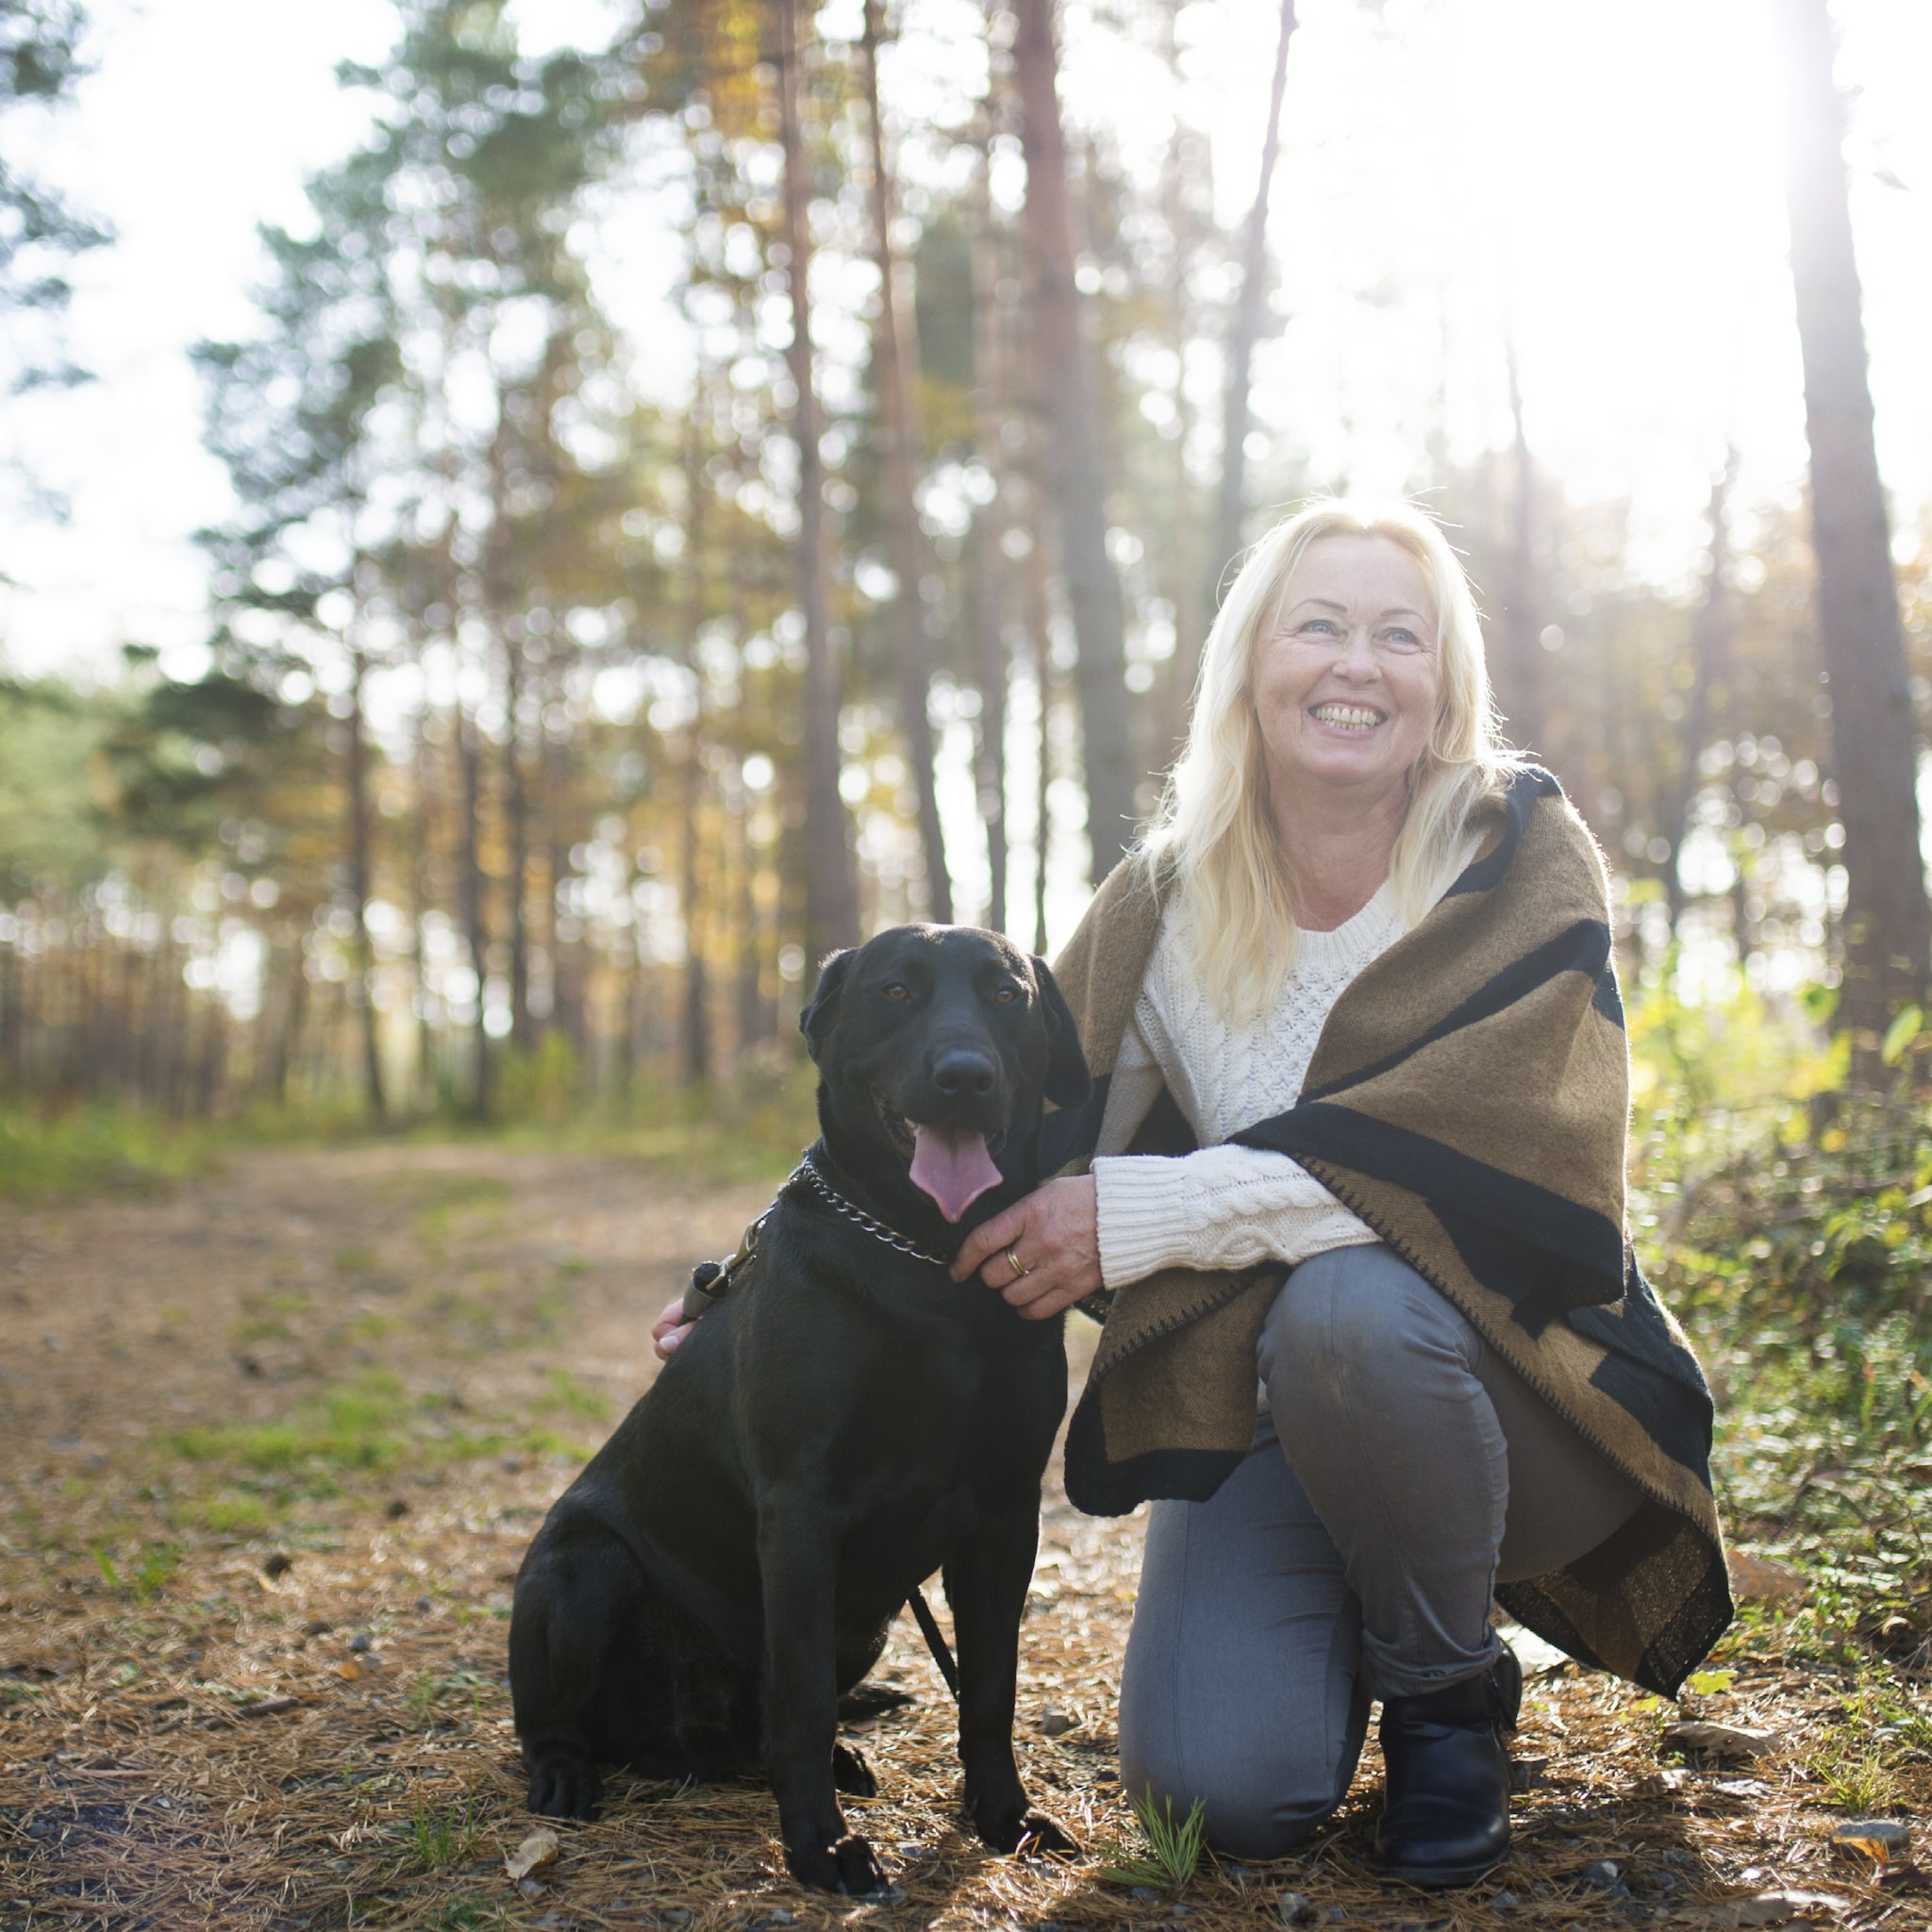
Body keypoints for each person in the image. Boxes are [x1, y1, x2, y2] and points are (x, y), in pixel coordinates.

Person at [658, 500, 1730, 1889]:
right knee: (1219, 1793)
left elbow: (1514, 1158)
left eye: (1400, 635)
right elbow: (994, 1113)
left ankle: (1444, 1694)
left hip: (1521, 1389)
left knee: (1349, 1311)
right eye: (1320, 626)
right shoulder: (1166, 895)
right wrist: (753, 1318)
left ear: (1445, 681)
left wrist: (1159, 1213)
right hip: (1275, 1407)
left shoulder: (1512, 852)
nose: (1359, 664)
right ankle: (1345, 1598)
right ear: (1251, 666)